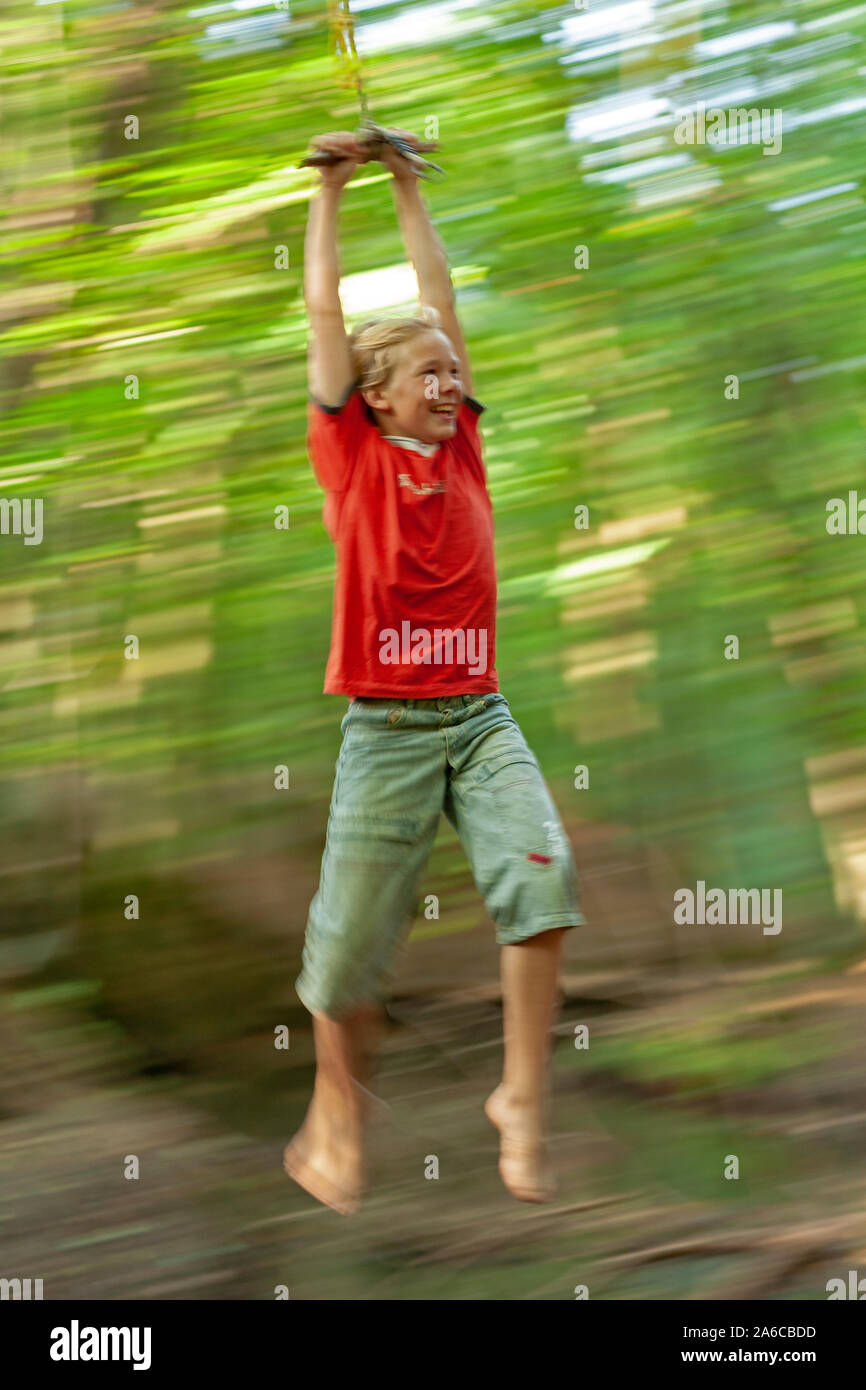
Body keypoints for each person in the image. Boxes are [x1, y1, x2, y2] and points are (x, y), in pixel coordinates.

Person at [284, 129, 585, 1214]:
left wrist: (407, 182)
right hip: (387, 729)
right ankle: (336, 1113)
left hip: (477, 717)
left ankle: (521, 1099)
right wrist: (331, 190)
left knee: (542, 886)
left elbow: (436, 288)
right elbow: (323, 316)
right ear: (375, 395)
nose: (450, 382)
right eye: (427, 372)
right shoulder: (350, 453)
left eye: (455, 372)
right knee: (347, 957)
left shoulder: (462, 450)